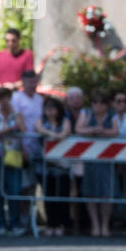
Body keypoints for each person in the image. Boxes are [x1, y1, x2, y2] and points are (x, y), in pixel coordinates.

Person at [0, 87, 31, 238]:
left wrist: (15, 113)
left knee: (14, 190)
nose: (6, 101)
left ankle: (15, 223)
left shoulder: (16, 113)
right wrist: (5, 131)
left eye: (8, 98)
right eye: (3, 98)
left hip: (13, 156)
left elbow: (24, 130)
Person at [76, 89, 120, 238]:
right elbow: (78, 129)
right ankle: (95, 224)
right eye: (95, 102)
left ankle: (105, 225)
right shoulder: (86, 113)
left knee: (107, 193)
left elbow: (117, 131)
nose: (98, 106)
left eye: (101, 103)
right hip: (90, 160)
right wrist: (94, 129)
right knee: (90, 192)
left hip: (107, 161)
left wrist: (103, 132)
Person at [35, 95, 73, 237]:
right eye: (47, 108)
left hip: (62, 166)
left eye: (52, 108)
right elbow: (38, 128)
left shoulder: (65, 120)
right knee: (48, 195)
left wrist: (55, 136)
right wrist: (52, 134)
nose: (49, 111)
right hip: (46, 166)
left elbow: (65, 133)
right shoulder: (42, 121)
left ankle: (62, 223)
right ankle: (51, 223)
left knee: (62, 194)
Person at [0, 27, 35, 93]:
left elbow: (30, 78)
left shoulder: (27, 55)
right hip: (1, 95)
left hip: (20, 93)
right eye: (7, 40)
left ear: (19, 40)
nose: (10, 43)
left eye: (13, 40)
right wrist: (2, 89)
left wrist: (14, 85)